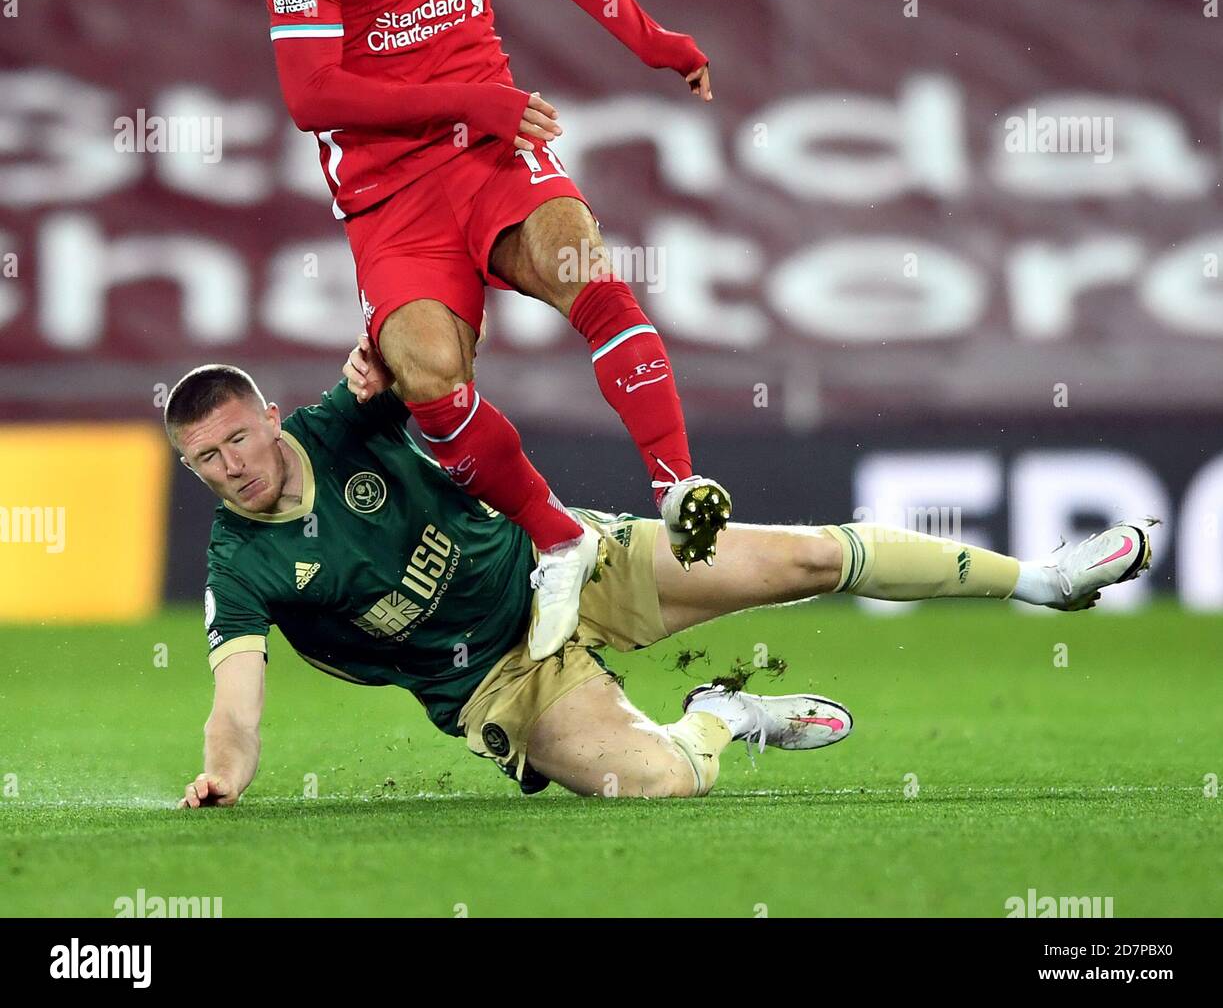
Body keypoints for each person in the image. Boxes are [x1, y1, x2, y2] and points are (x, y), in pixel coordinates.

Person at [171, 342, 1155, 806]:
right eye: (206, 463)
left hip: (568, 562)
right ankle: (725, 713)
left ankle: (1045, 580)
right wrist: (223, 771)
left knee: (809, 554)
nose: (233, 470)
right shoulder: (240, 558)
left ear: (266, 416)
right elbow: (237, 697)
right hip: (496, 679)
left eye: (238, 441)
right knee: (653, 783)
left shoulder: (344, 422)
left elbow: (422, 343)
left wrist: (397, 337)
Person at [262, 0, 730, 659]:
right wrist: (465, 100)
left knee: (581, 263)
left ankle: (675, 486)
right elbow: (314, 96)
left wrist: (653, 40)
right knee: (427, 370)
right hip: (387, 198)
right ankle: (557, 539)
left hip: (491, 156)